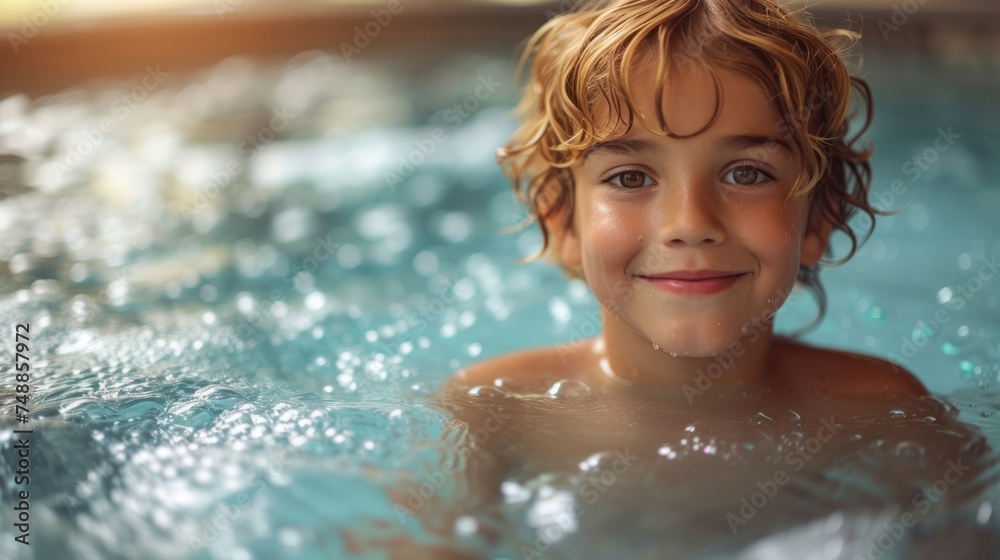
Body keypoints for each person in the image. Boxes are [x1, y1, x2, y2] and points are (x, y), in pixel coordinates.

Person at [441, 0, 929, 404]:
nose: (691, 224)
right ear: (563, 222)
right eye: (630, 177)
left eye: (746, 174)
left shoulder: (878, 408)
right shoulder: (497, 409)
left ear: (819, 219)